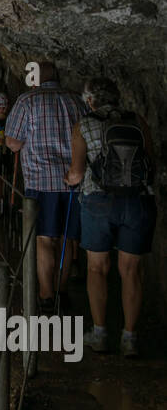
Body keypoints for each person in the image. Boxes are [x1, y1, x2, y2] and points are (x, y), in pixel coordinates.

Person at [66, 77, 156, 357]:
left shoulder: (84, 124)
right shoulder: (138, 121)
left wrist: (69, 179)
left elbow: (78, 173)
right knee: (131, 271)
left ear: (90, 100)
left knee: (97, 268)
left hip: (98, 201)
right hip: (138, 200)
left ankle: (101, 333)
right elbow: (150, 163)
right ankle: (130, 337)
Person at [5, 61, 86, 312]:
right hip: (74, 182)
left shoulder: (28, 101)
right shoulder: (77, 101)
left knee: (44, 239)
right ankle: (62, 291)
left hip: (41, 182)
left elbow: (13, 143)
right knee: (66, 240)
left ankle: (47, 296)